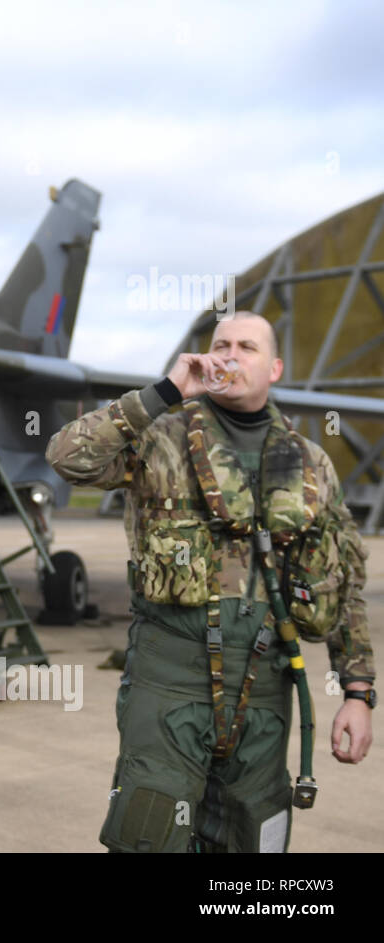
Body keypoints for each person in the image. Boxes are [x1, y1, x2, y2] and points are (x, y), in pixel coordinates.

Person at [46, 310, 374, 853]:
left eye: (246, 347)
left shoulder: (310, 464)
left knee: (253, 843)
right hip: (170, 682)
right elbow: (67, 457)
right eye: (220, 344)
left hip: (266, 690)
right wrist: (167, 390)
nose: (228, 355)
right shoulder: (160, 439)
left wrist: (357, 692)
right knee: (149, 835)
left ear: (274, 368)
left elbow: (344, 582)